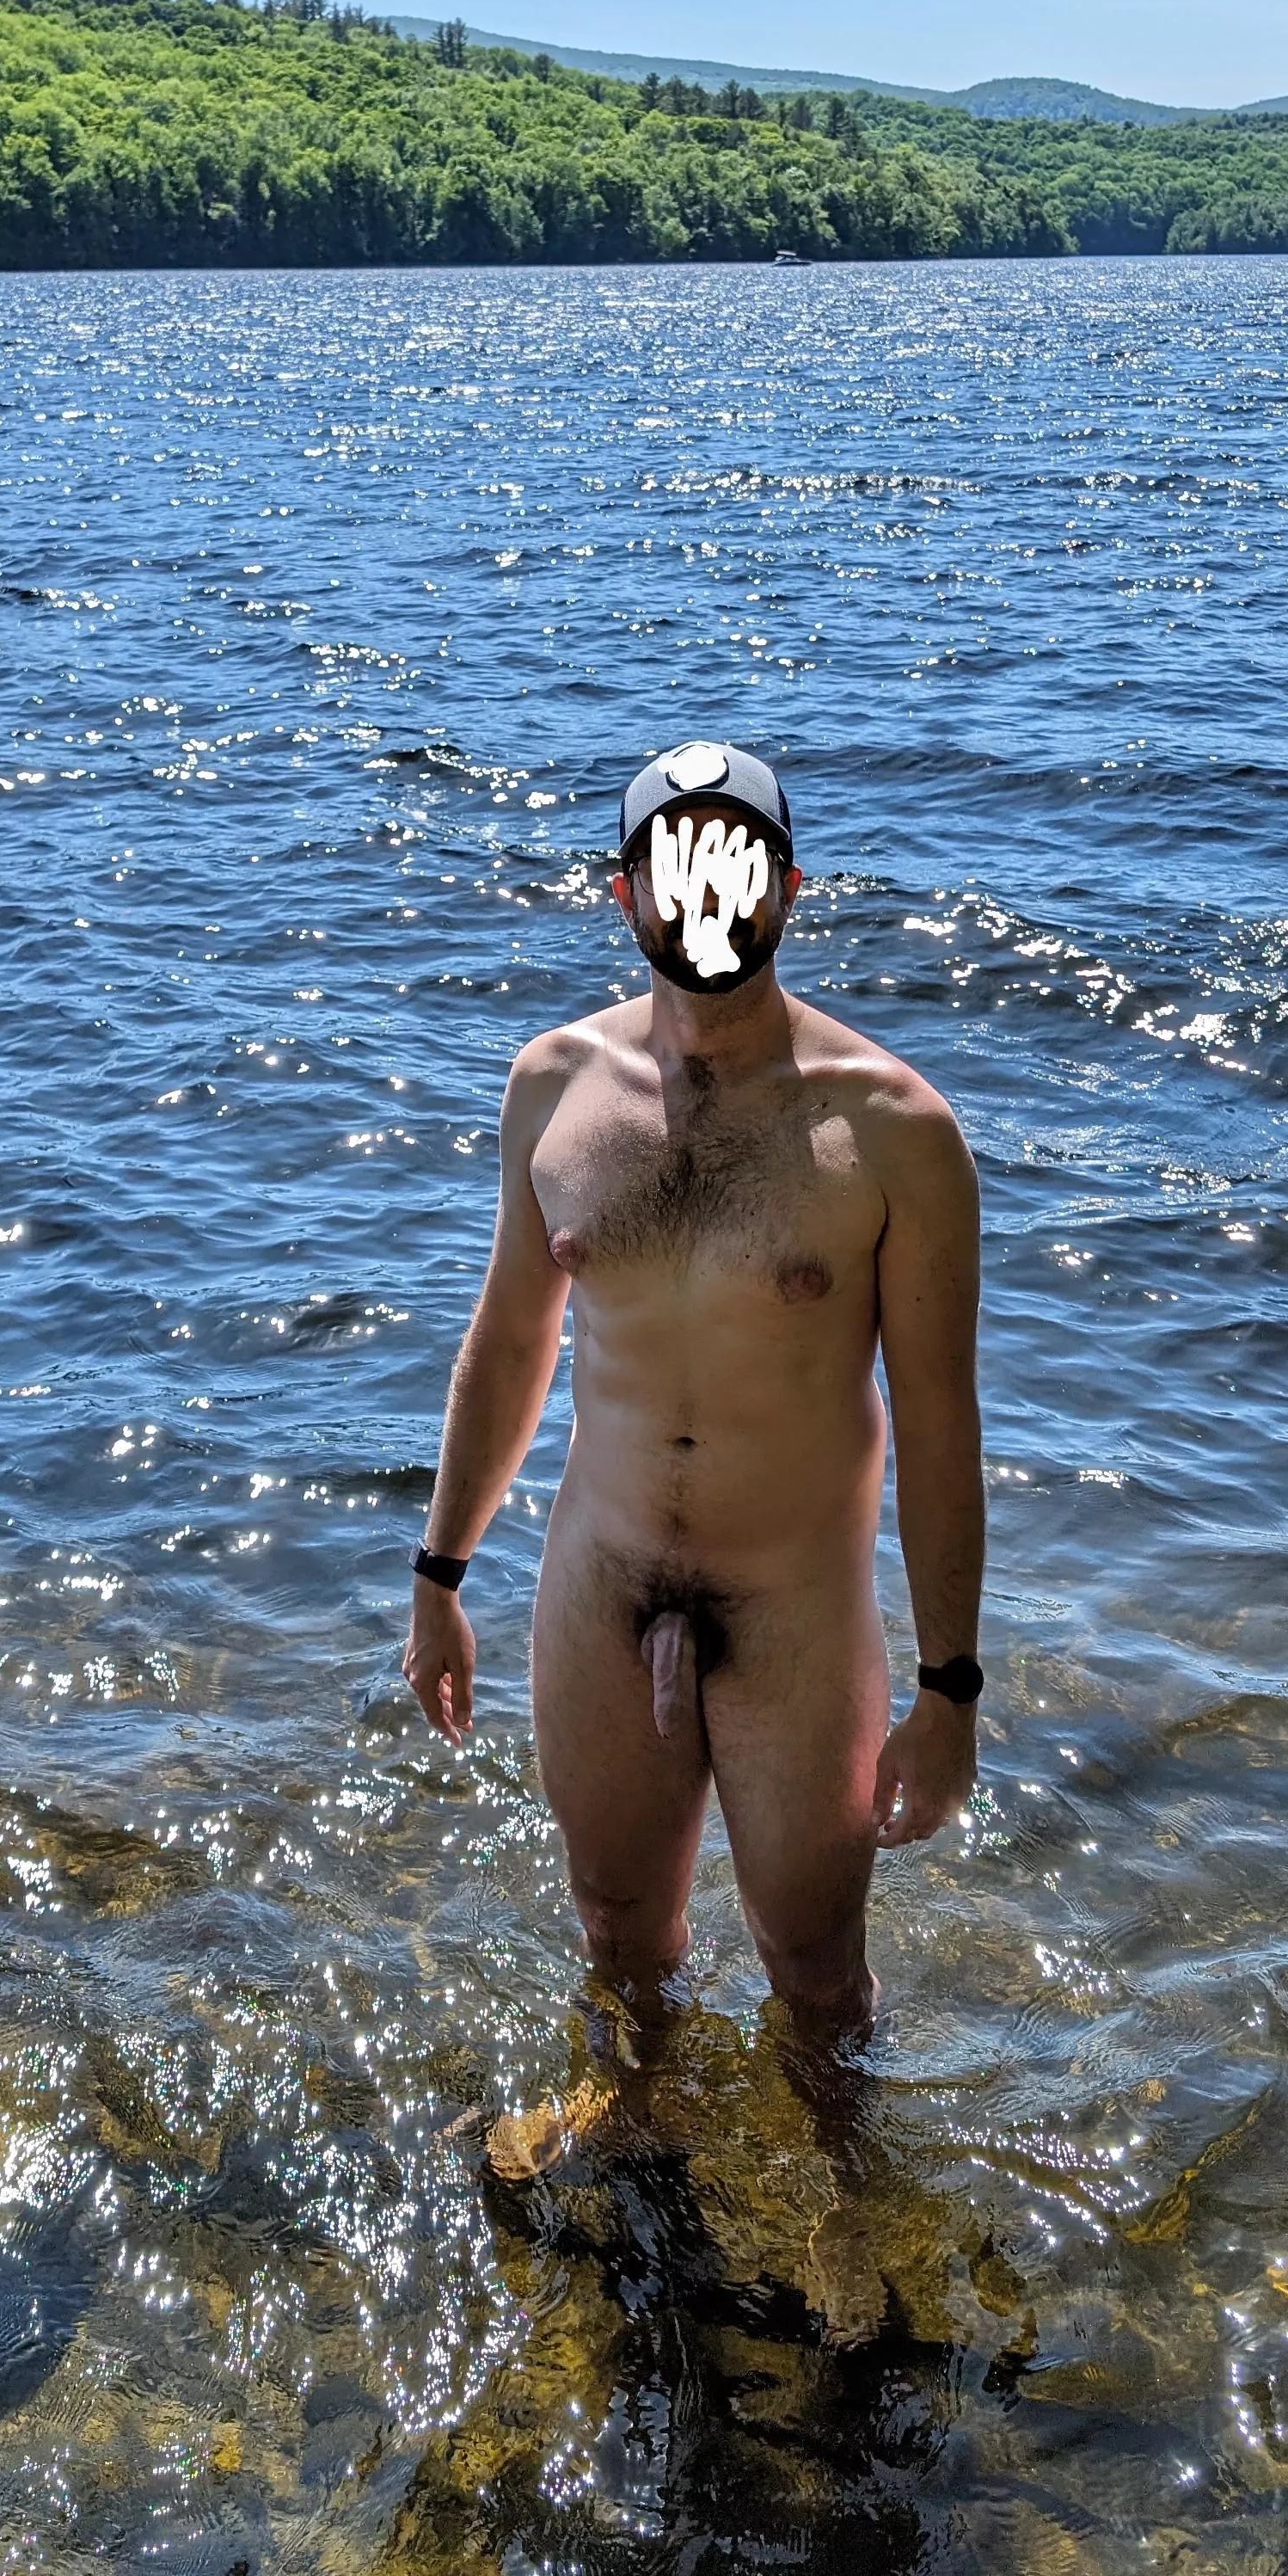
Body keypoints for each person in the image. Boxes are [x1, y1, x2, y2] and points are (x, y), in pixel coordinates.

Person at [402, 739, 984, 2037]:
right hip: (598, 1582)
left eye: (735, 866)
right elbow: (508, 1345)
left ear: (786, 887)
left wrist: (952, 1692)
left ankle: (845, 2213)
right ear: (628, 895)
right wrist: (440, 1577)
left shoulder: (895, 1132)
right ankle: (641, 2173)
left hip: (794, 1609)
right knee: (616, 1933)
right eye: (676, 869)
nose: (705, 899)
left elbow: (943, 1431)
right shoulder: (553, 1089)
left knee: (817, 1972)